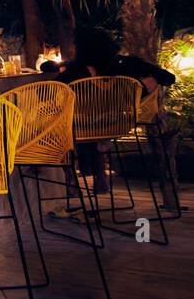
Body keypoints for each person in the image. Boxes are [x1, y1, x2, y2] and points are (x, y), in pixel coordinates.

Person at [54, 27, 176, 207]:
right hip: (119, 123)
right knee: (99, 126)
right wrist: (152, 80)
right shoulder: (126, 64)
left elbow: (50, 90)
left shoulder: (75, 71)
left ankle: (72, 180)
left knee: (60, 122)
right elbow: (169, 77)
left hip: (83, 127)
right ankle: (102, 153)